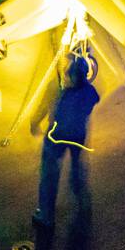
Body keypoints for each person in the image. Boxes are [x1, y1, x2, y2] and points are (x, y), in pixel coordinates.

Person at [33, 55, 99, 229]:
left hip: (56, 135)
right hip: (78, 135)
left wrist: (34, 122)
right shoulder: (89, 91)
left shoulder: (57, 88)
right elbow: (93, 100)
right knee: (77, 168)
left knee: (49, 174)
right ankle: (82, 201)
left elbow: (43, 106)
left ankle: (46, 216)